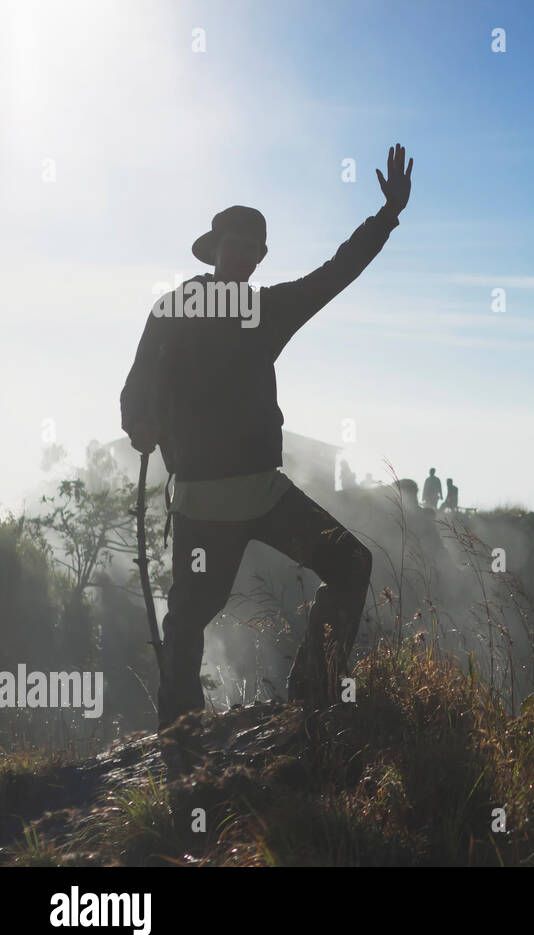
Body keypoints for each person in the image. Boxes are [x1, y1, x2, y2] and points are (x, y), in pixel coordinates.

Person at [120, 144, 414, 731]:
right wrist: (140, 425)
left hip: (258, 491)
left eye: (252, 252)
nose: (244, 259)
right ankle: (184, 741)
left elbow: (335, 273)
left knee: (348, 563)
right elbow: (136, 391)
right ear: (217, 250)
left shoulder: (253, 309)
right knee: (187, 619)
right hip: (207, 501)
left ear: (256, 259)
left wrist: (386, 217)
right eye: (236, 248)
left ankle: (306, 701)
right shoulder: (178, 311)